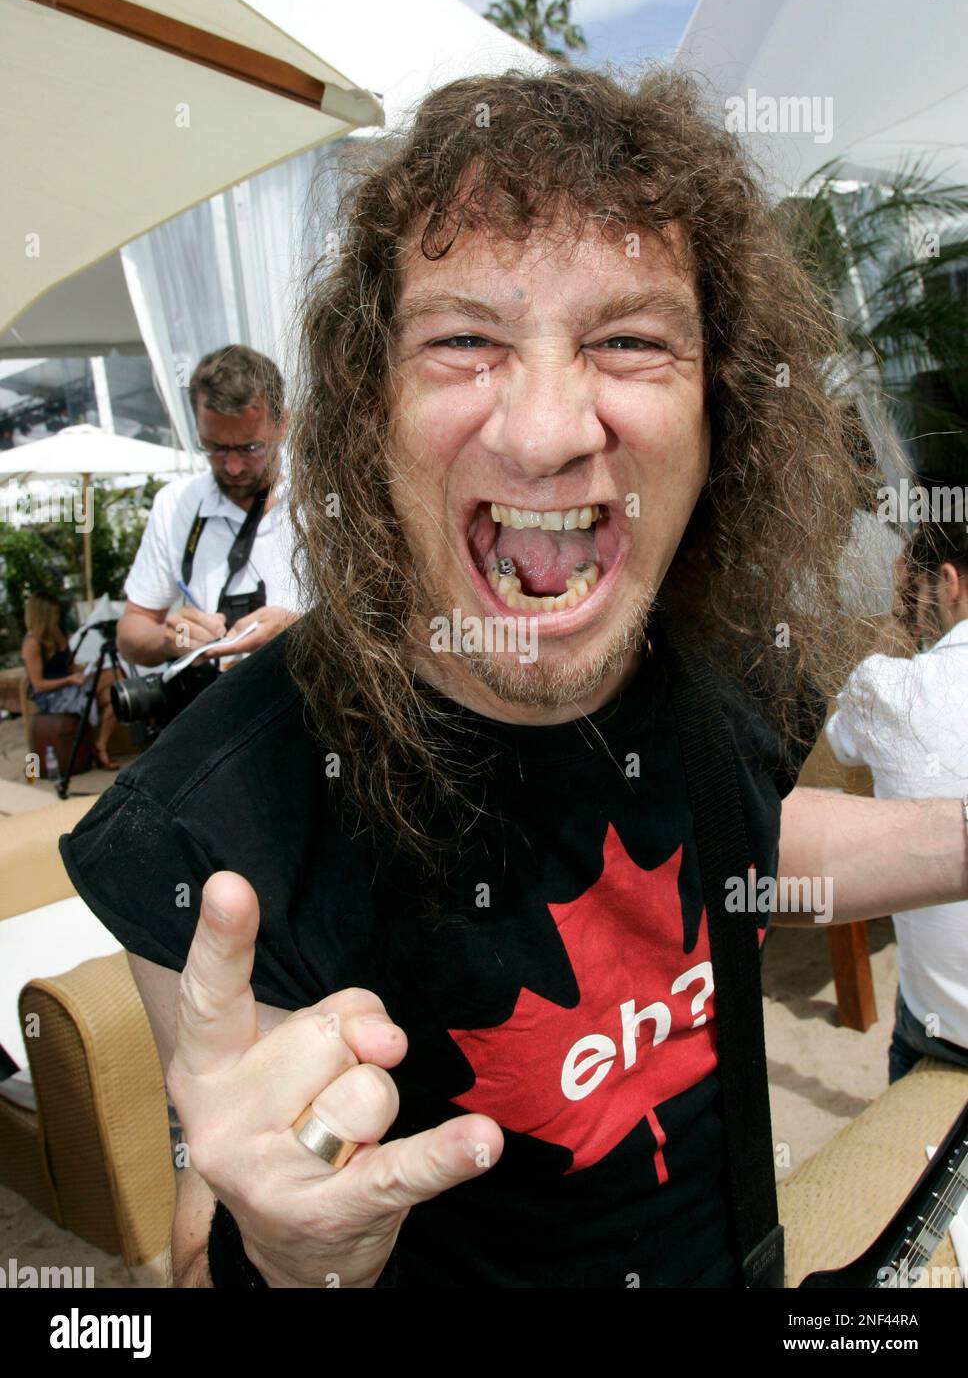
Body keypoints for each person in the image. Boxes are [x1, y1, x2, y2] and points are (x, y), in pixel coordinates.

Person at [59, 66, 968, 1289]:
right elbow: (195, 1238)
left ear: (724, 413)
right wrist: (287, 1251)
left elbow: (738, 843)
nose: (544, 432)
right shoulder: (219, 829)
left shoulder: (705, 667)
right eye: (465, 340)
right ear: (368, 416)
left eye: (630, 338)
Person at [826, 520, 968, 1083]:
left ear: (949, 584)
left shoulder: (886, 688)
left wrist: (901, 623)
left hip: (944, 1034)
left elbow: (840, 740)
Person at [117, 344, 302, 671]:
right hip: (217, 707)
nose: (232, 467)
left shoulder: (323, 498)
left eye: (250, 447)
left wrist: (300, 629)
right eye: (215, 448)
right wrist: (167, 638)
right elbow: (132, 631)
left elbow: (384, 611)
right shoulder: (175, 504)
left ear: (283, 423)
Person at [21, 590, 118, 770]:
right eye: (54, 614)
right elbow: (38, 685)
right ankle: (99, 748)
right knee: (113, 676)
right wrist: (69, 680)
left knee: (113, 696)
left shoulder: (58, 631)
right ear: (44, 615)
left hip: (71, 683)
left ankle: (100, 745)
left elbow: (68, 666)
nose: (58, 617)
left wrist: (85, 669)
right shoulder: (32, 643)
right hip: (52, 695)